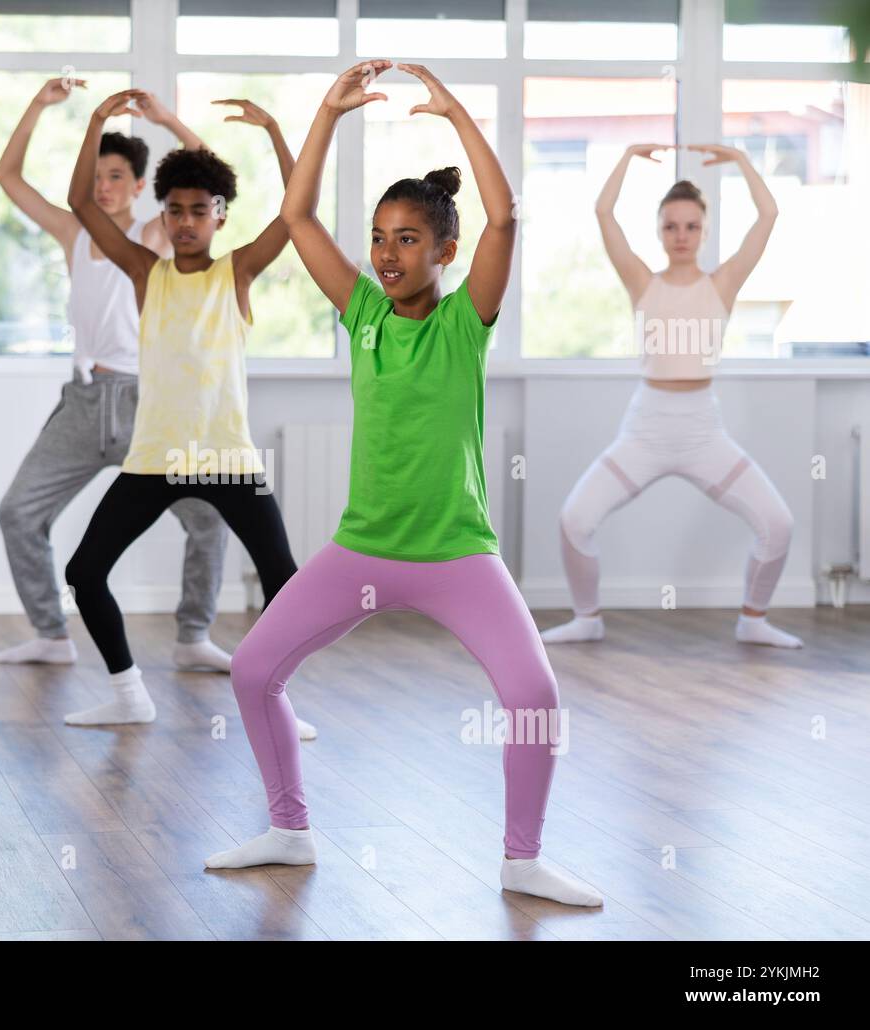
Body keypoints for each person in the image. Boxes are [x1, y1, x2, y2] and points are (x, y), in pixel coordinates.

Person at [209, 61, 602, 908]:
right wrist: (324, 113)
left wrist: (458, 112)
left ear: (444, 252)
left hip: (457, 553)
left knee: (533, 693)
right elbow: (297, 216)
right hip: (364, 550)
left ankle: (521, 859)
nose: (387, 254)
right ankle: (289, 827)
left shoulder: (467, 322)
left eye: (408, 239)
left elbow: (505, 215)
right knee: (251, 670)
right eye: (380, 238)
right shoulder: (362, 314)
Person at [60, 88, 315, 740]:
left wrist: (277, 130)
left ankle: (277, 700)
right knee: (85, 572)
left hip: (228, 460)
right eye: (173, 211)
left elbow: (298, 211)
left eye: (198, 211)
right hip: (155, 461)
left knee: (285, 582)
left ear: (219, 216)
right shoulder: (147, 272)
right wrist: (96, 120)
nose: (184, 222)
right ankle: (127, 693)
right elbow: (81, 205)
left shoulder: (237, 273)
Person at [0, 78, 231, 673]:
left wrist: (169, 119)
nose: (104, 186)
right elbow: (8, 178)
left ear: (142, 186)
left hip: (147, 404)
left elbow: (209, 180)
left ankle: (193, 635)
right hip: (84, 401)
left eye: (116, 176)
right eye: (97, 176)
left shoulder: (152, 233)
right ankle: (51, 633)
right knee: (18, 512)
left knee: (210, 517)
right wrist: (40, 106)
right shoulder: (75, 232)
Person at [540, 143, 800, 649]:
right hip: (647, 427)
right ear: (659, 231)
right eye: (670, 226)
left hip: (703, 429)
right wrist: (628, 157)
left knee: (778, 523)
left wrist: (742, 161)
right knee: (574, 518)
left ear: (703, 230)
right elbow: (603, 212)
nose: (681, 236)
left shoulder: (723, 283)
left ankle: (753, 619)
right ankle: (587, 618)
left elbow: (768, 215)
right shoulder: (641, 281)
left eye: (691, 226)